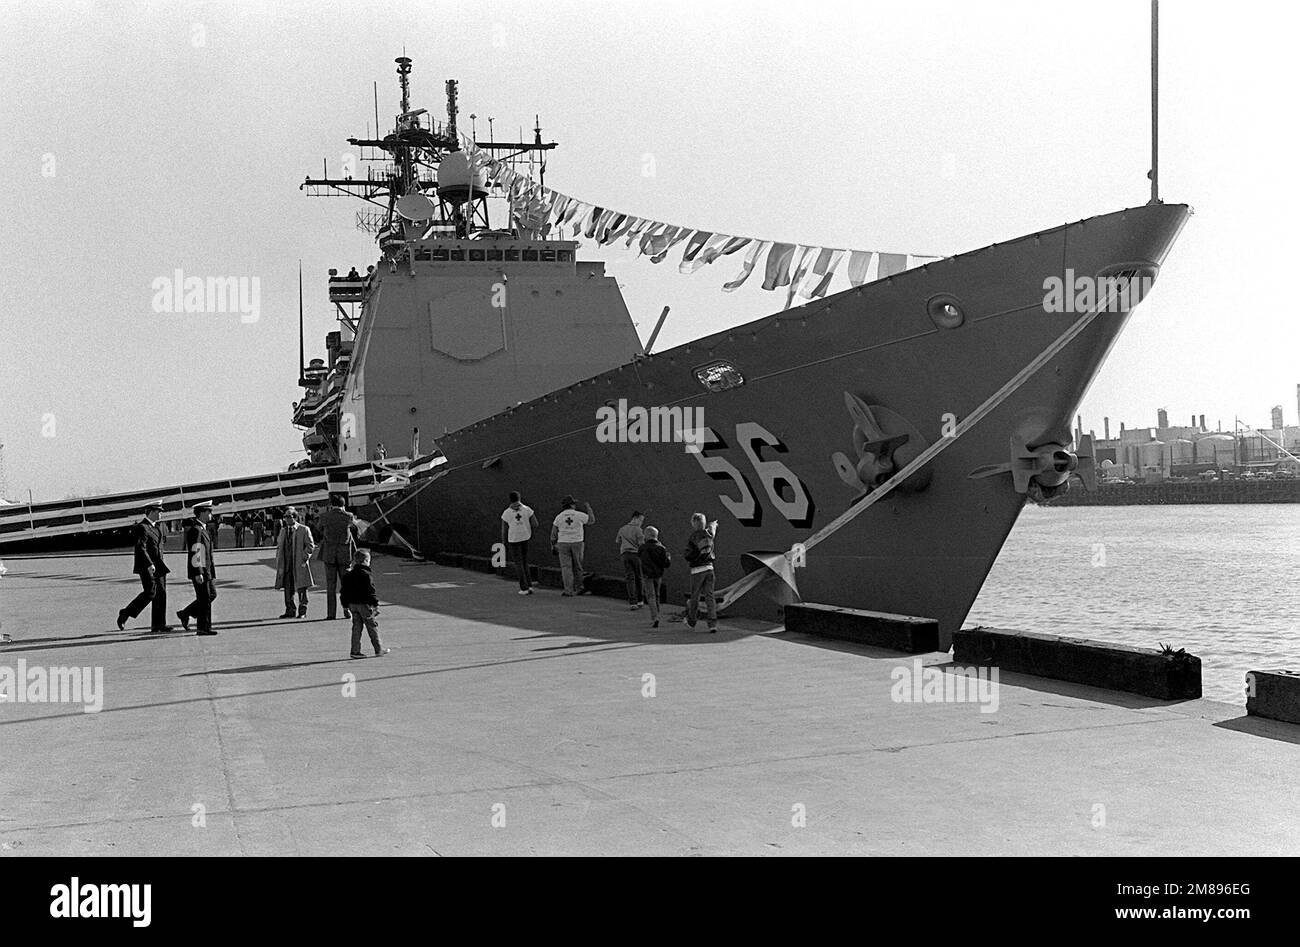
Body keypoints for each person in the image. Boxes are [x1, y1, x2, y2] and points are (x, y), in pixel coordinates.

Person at [116, 501, 172, 633]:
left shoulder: (157, 527)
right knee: (150, 592)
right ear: (151, 512)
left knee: (161, 594)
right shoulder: (142, 527)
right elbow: (141, 548)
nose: (161, 514)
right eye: (158, 511)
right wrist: (149, 564)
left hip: (159, 565)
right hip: (146, 565)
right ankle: (125, 613)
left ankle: (159, 625)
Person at [176, 501, 218, 635]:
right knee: (204, 598)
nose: (211, 514)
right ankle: (203, 628)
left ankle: (186, 613)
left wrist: (211, 573)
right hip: (200, 571)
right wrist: (198, 572)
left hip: (207, 571)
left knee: (211, 595)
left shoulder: (203, 529)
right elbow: (196, 552)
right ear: (202, 513)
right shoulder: (196, 530)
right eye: (208, 511)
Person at [316, 494, 360, 619]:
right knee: (346, 584)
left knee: (331, 585)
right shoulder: (348, 516)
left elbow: (318, 529)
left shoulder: (324, 517)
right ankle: (347, 609)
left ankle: (331, 614)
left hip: (329, 554)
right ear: (343, 504)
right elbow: (354, 528)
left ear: (331, 504)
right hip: (344, 554)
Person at [340, 548, 389, 659]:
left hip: (352, 605)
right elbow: (371, 591)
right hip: (364, 605)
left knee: (356, 627)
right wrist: (375, 604)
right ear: (365, 561)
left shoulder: (348, 575)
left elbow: (343, 591)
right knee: (372, 625)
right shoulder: (366, 575)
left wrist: (345, 605)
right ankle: (378, 649)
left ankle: (355, 651)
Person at [274, 507, 316, 618]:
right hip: (286, 564)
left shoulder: (303, 529)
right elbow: (279, 547)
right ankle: (290, 610)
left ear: (295, 517)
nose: (286, 519)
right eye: (285, 517)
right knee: (288, 589)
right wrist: (279, 560)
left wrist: (304, 557)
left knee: (302, 588)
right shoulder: (283, 531)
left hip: (298, 563)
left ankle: (303, 611)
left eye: (289, 517)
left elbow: (310, 546)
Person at [550, 495, 595, 596]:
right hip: (577, 543)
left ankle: (568, 590)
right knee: (578, 566)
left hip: (562, 543)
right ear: (571, 505)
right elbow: (591, 520)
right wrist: (588, 508)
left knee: (566, 567)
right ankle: (579, 587)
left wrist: (553, 545)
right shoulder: (579, 515)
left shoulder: (559, 517)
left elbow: (553, 534)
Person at [683, 512, 718, 633]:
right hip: (710, 568)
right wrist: (713, 526)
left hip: (698, 570)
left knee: (695, 596)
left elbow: (688, 555)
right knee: (710, 596)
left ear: (693, 523)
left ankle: (692, 621)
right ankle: (712, 623)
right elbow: (712, 531)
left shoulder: (693, 537)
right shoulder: (709, 534)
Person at [500, 491, 539, 595]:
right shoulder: (527, 509)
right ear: (519, 498)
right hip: (525, 537)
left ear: (510, 499)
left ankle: (524, 588)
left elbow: (504, 530)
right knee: (525, 562)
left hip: (513, 539)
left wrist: (504, 543)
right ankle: (530, 586)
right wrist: (526, 528)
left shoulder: (506, 513)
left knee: (519, 564)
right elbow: (535, 524)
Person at [638, 526, 671, 629]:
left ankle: (655, 616)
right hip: (658, 574)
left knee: (650, 596)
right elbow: (666, 563)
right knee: (657, 595)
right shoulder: (661, 548)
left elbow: (640, 558)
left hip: (647, 574)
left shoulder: (643, 548)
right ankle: (657, 614)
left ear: (646, 535)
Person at [615, 511, 646, 609]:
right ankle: (640, 600)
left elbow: (617, 541)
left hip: (625, 555)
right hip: (635, 555)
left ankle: (632, 602)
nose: (641, 523)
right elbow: (641, 544)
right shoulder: (638, 530)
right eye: (641, 520)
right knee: (639, 577)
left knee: (630, 578)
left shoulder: (622, 529)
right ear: (635, 518)